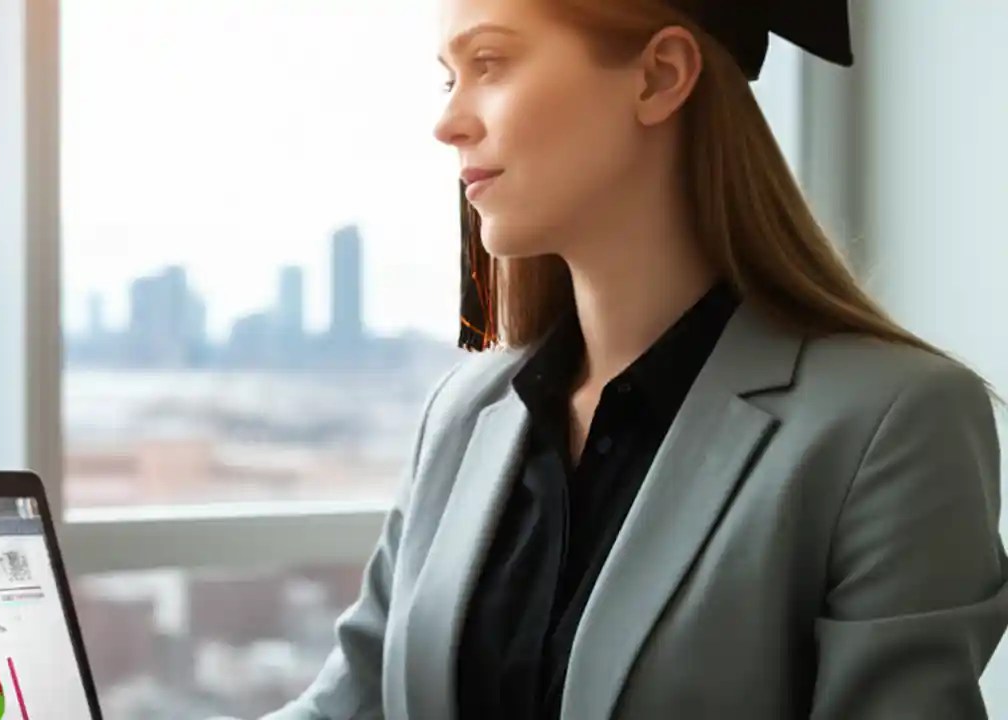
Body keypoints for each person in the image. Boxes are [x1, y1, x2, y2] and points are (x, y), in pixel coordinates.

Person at [263, 0, 1008, 717]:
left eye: (489, 62)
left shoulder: (892, 426)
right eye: (449, 77)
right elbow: (351, 705)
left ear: (658, 76)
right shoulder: (463, 414)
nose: (447, 121)